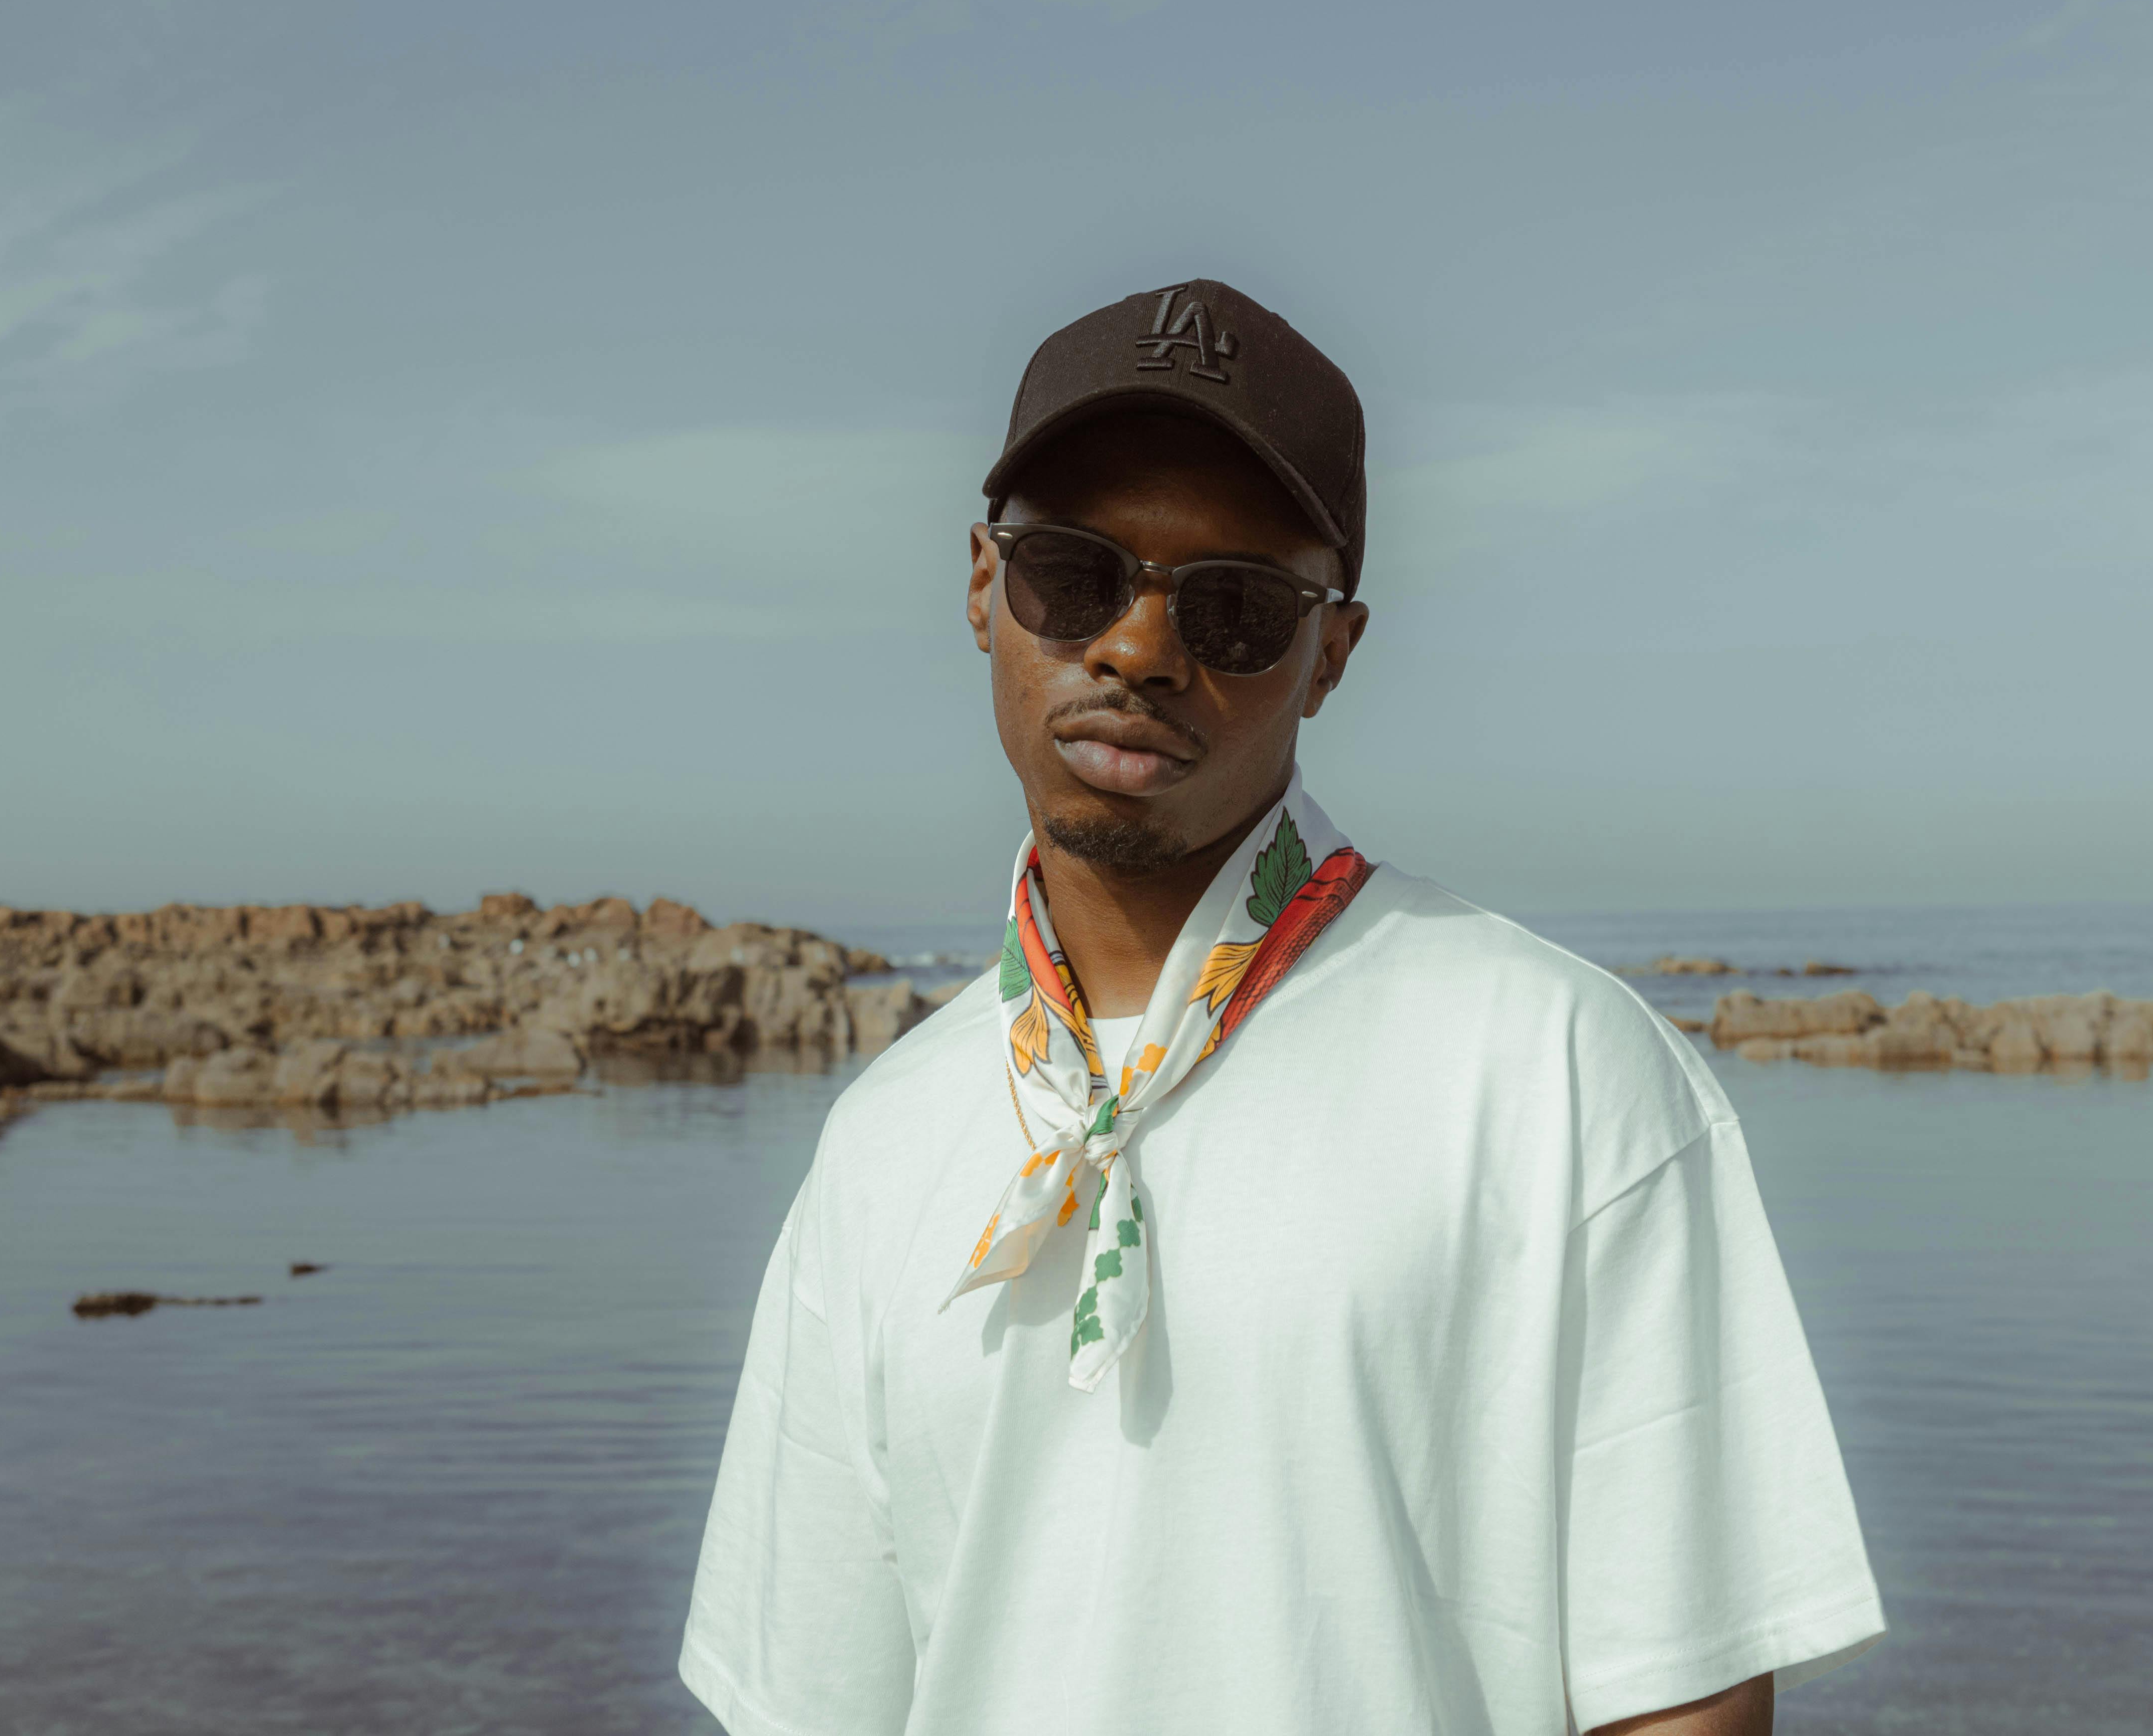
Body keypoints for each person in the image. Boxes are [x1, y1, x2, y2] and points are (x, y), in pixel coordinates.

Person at [681, 280, 1883, 1735]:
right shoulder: (886, 1142)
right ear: (985, 587)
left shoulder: (1556, 1070)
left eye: (1236, 608)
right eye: (1074, 574)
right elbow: (813, 1698)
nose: (1139, 649)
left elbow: (1684, 1691)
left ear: (1334, 654)